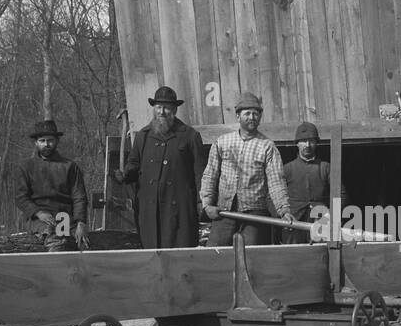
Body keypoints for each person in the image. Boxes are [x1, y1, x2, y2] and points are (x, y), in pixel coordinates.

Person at [111, 86, 205, 249]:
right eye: (158, 107)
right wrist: (126, 174)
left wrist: (201, 202)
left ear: (175, 110)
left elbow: (200, 174)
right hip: (150, 211)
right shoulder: (143, 136)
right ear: (154, 109)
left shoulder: (189, 136)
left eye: (167, 108)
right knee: (152, 255)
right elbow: (134, 163)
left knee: (180, 256)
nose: (162, 112)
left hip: (179, 211)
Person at [200, 92, 293, 246]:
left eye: (255, 114)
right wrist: (207, 204)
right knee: (215, 255)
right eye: (247, 113)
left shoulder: (267, 146)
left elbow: (276, 182)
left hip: (254, 214)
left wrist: (284, 210)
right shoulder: (222, 142)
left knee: (252, 257)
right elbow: (210, 174)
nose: (252, 117)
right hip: (225, 211)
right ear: (238, 116)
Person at [15, 120, 90, 252]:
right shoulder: (26, 167)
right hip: (39, 219)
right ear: (36, 143)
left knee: (83, 244)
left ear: (57, 141)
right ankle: (55, 269)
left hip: (66, 217)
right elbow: (21, 197)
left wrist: (81, 222)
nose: (46, 144)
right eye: (42, 140)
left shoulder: (69, 166)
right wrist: (38, 212)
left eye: (50, 140)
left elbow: (79, 197)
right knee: (55, 240)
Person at [281, 121, 348, 244]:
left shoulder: (326, 167)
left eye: (311, 141)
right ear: (297, 144)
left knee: (321, 256)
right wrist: (282, 215)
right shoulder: (287, 169)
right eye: (303, 141)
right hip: (293, 223)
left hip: (321, 222)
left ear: (317, 143)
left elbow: (341, 195)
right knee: (292, 257)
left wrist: (330, 217)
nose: (307, 145)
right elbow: (272, 196)